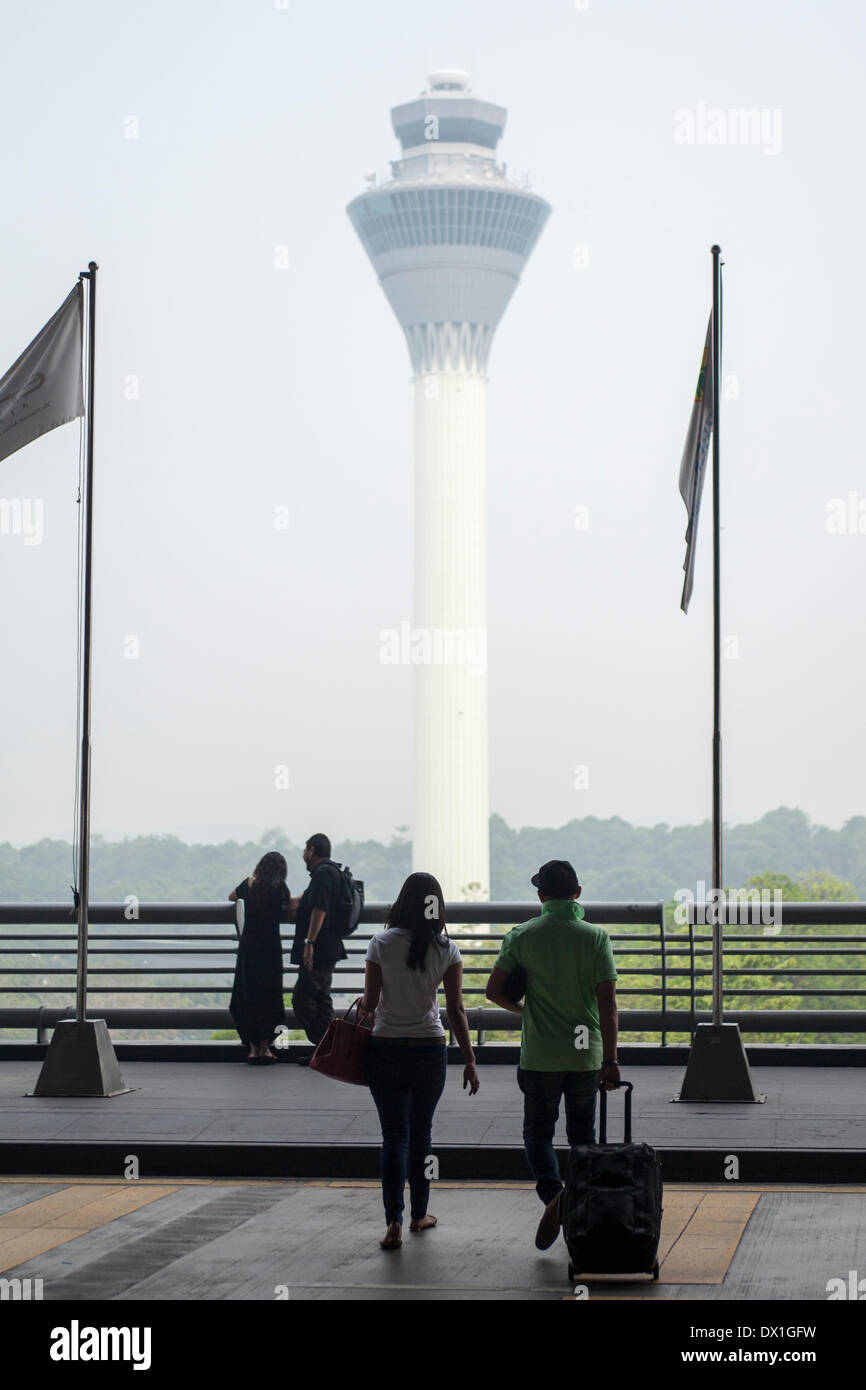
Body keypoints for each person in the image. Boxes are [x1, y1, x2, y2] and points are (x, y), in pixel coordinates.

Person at [485, 859, 620, 1250]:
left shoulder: (522, 935)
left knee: (537, 1133)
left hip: (540, 1055)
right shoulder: (595, 937)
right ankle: (578, 1208)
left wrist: (526, 1011)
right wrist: (610, 1060)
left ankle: (552, 1194)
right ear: (577, 894)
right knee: (583, 1136)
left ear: (540, 895)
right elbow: (608, 1001)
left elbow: (493, 992)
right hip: (585, 1055)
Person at [358, 871, 480, 1251]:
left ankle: (392, 1221)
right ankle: (418, 1215)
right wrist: (470, 1059)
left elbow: (370, 1004)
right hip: (429, 1049)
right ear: (436, 907)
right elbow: (457, 1010)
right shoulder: (447, 949)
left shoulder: (380, 943)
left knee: (393, 1137)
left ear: (401, 903)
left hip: (386, 1048)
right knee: (422, 1133)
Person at [228, 851, 291, 1064]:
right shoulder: (279, 888)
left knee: (248, 994)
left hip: (249, 948)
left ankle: (252, 1049)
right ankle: (265, 1048)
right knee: (269, 995)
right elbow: (289, 907)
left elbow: (232, 896)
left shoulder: (250, 884)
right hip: (271, 948)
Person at [290, 833, 345, 1051]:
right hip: (329, 947)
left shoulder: (323, 874)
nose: (303, 854)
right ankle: (327, 1051)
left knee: (301, 999)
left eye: (305, 849)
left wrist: (309, 943)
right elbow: (311, 898)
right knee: (322, 1000)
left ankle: (326, 1047)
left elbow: (319, 909)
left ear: (312, 850)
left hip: (320, 949)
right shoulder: (331, 872)